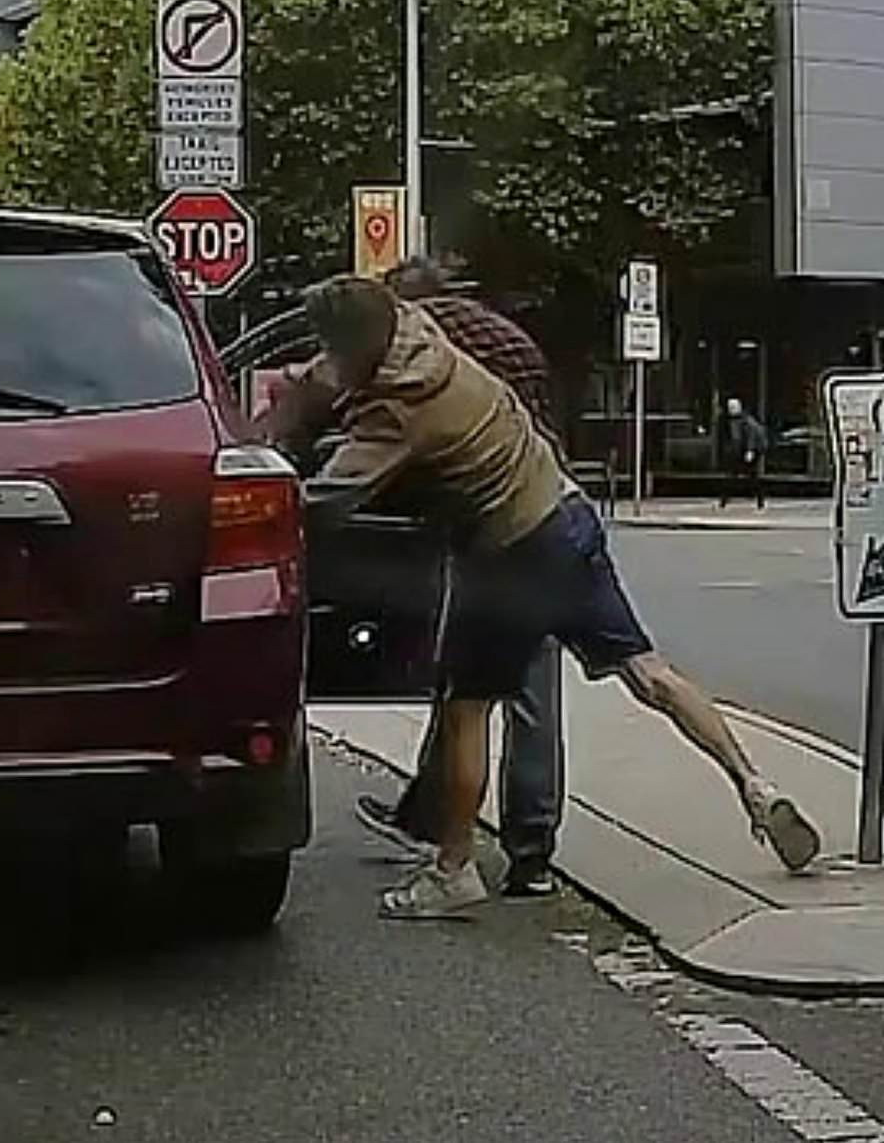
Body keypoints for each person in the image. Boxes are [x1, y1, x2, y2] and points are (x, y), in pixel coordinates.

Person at [299, 274, 822, 919]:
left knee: (468, 710)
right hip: (568, 515)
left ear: (356, 347)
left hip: (512, 553)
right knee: (649, 673)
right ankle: (755, 787)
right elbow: (357, 342)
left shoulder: (394, 413)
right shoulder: (422, 336)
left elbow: (326, 502)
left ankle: (453, 867)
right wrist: (319, 373)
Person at [350, 257, 568, 898]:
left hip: (486, 531)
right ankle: (530, 850)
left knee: (465, 686)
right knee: (530, 697)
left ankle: (445, 833)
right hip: (551, 508)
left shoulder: (420, 348)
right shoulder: (505, 337)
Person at [720, 397, 768, 510]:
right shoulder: (732, 420)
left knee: (751, 478)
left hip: (746, 451)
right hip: (739, 451)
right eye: (729, 407)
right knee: (732, 477)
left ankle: (760, 501)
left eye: (733, 407)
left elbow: (750, 436)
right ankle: (724, 501)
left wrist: (750, 451)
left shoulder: (746, 420)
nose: (730, 409)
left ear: (739, 407)